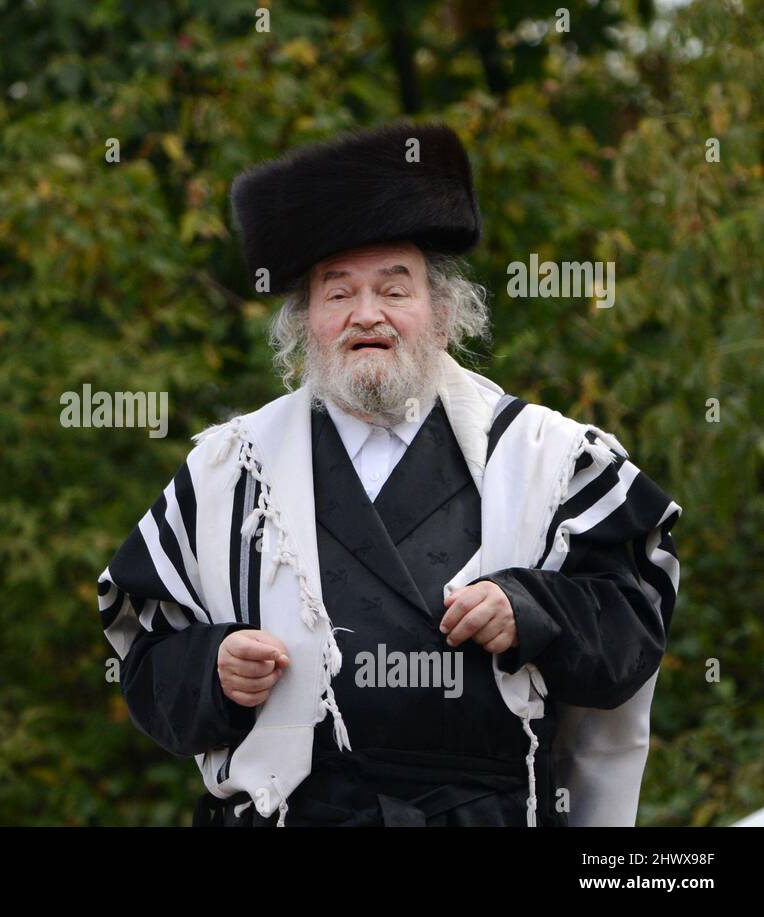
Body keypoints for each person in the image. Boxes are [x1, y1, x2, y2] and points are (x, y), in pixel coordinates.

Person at [97, 123, 681, 827]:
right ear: (304, 322)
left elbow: (633, 623)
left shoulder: (547, 457)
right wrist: (212, 667)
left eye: (393, 289)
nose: (365, 314)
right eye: (337, 293)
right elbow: (147, 650)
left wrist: (531, 608)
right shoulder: (225, 470)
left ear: (441, 314)